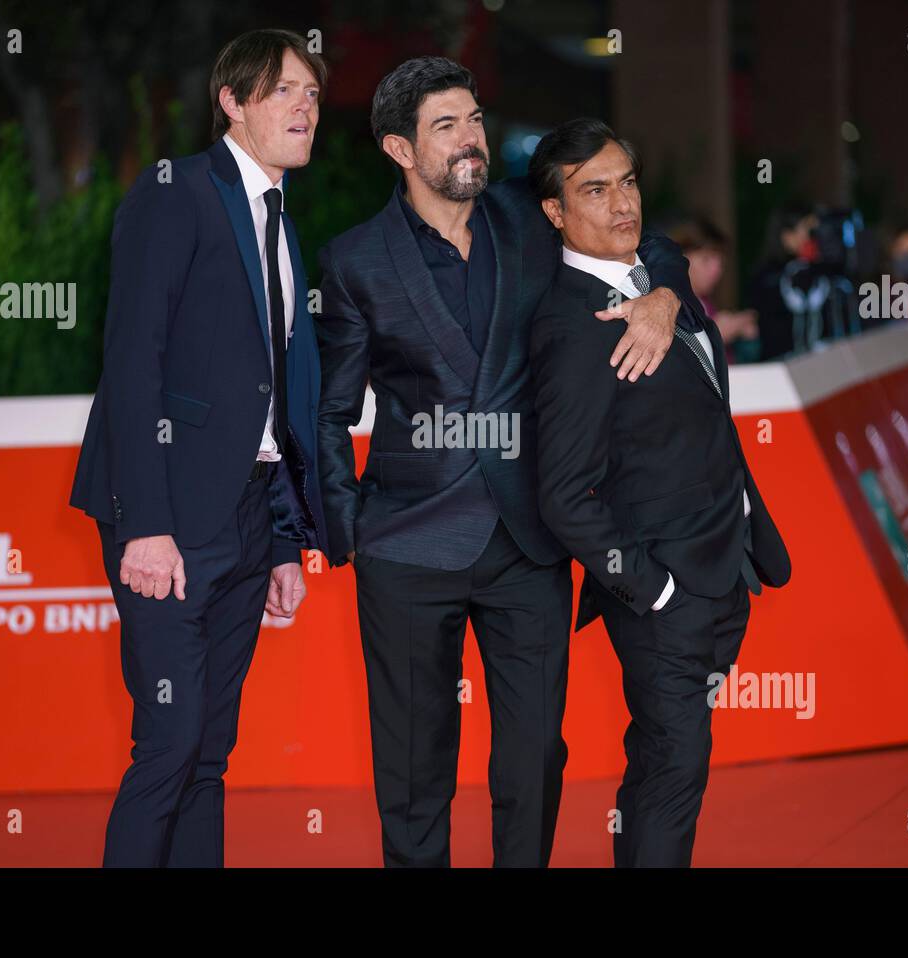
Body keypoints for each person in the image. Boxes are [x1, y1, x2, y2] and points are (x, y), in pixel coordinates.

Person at [314, 57, 707, 867]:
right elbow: (330, 411)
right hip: (407, 547)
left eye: (475, 120)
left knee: (534, 761)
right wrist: (350, 528)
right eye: (445, 127)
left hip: (526, 541)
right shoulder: (355, 260)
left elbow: (650, 243)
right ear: (398, 149)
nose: (469, 141)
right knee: (416, 772)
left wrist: (664, 295)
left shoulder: (529, 221)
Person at [68, 29, 329, 867]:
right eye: (285, 89)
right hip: (171, 518)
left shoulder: (281, 220)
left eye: (314, 94)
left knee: (211, 756)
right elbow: (133, 363)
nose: (305, 106)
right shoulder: (177, 190)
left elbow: (273, 402)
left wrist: (286, 539)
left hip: (251, 518)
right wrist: (144, 523)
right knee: (170, 747)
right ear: (233, 100)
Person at [527, 118, 791, 867]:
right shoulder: (573, 328)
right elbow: (563, 494)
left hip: (727, 564)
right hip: (665, 593)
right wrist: (657, 593)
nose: (621, 205)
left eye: (628, 182)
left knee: (670, 768)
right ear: (555, 213)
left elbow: (665, 254)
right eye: (595, 190)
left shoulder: (655, 275)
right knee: (674, 774)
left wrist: (668, 295)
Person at [671, 217, 758, 362]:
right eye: (706, 259)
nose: (716, 270)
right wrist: (715, 336)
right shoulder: (666, 304)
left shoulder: (706, 304)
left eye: (721, 263)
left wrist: (746, 339)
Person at [747, 203, 817, 360]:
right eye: (807, 228)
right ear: (786, 235)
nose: (812, 236)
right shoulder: (770, 277)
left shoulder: (808, 270)